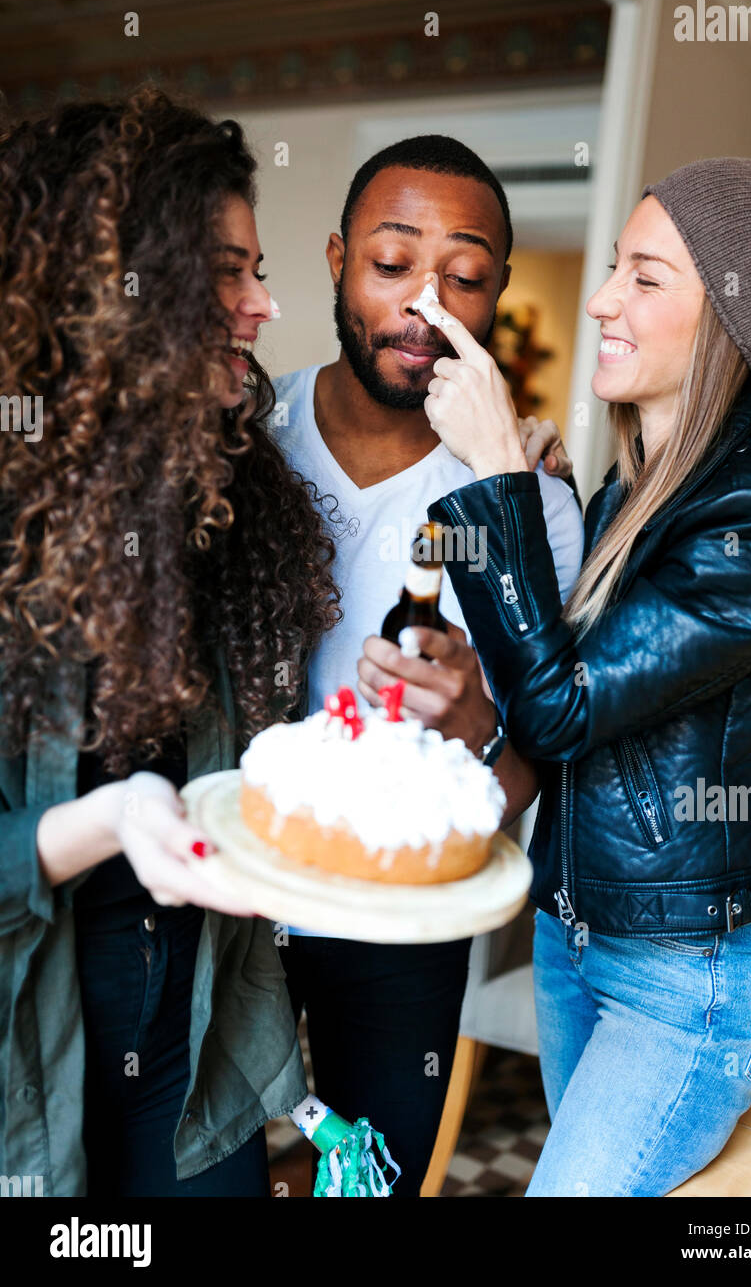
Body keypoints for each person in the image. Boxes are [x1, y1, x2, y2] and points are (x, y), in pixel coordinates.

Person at [417, 157, 751, 1196]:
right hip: (577, 931)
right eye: (614, 264)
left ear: (729, 324)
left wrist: (493, 488)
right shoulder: (642, 483)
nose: (604, 297)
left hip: (681, 979)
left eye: (646, 277)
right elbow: (593, 669)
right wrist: (545, 501)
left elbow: (559, 708)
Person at [0, 86, 339, 1196]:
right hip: (23, 1059)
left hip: (193, 1046)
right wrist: (98, 824)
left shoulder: (223, 504)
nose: (262, 302)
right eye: (226, 271)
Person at [267, 134, 583, 1195]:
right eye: (391, 263)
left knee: (370, 1182)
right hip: (224, 881)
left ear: (494, 292)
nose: (425, 305)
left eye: (466, 276)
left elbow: (528, 767)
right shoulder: (242, 434)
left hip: (403, 918)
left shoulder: (524, 499)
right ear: (334, 259)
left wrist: (473, 726)